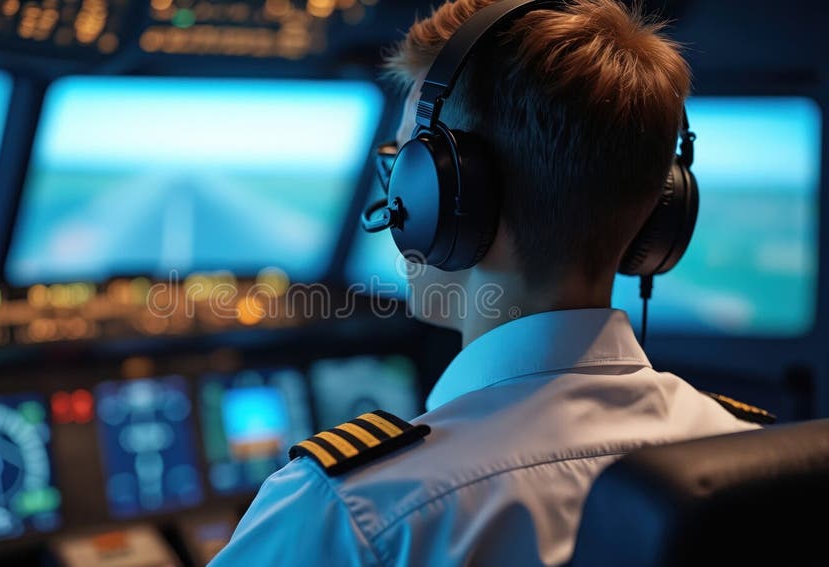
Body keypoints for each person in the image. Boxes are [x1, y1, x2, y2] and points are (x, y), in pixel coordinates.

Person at [209, 1, 768, 565]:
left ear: (441, 201)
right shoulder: (752, 460)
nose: (395, 201)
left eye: (401, 167)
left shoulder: (353, 515)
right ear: (657, 213)